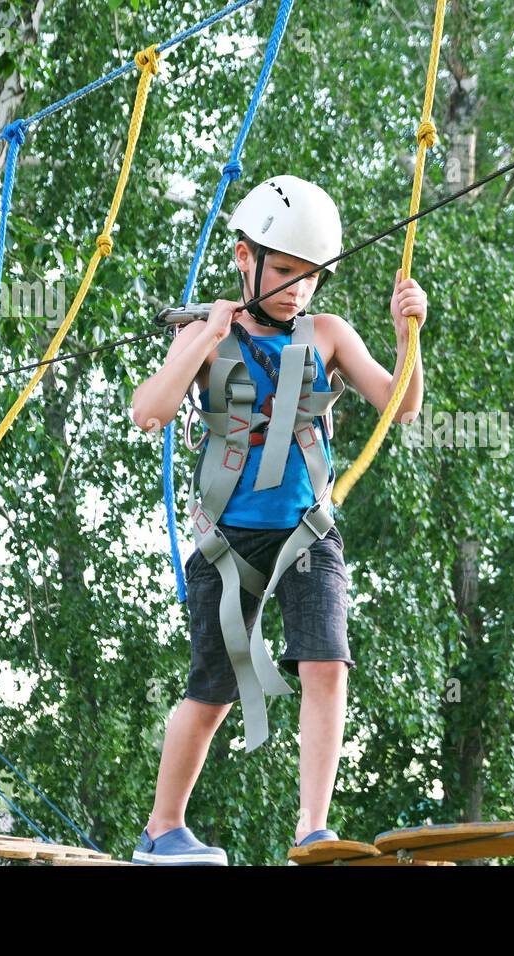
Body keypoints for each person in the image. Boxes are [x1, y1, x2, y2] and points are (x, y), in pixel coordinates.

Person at [128, 175, 427, 864]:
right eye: (285, 271)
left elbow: (400, 407)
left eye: (311, 276)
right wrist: (204, 339)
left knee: (327, 664)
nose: (298, 289)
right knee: (215, 689)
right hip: (228, 541)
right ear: (245, 257)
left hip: (308, 532)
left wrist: (409, 334)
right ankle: (162, 829)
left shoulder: (327, 334)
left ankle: (312, 828)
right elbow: (150, 412)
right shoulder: (210, 334)